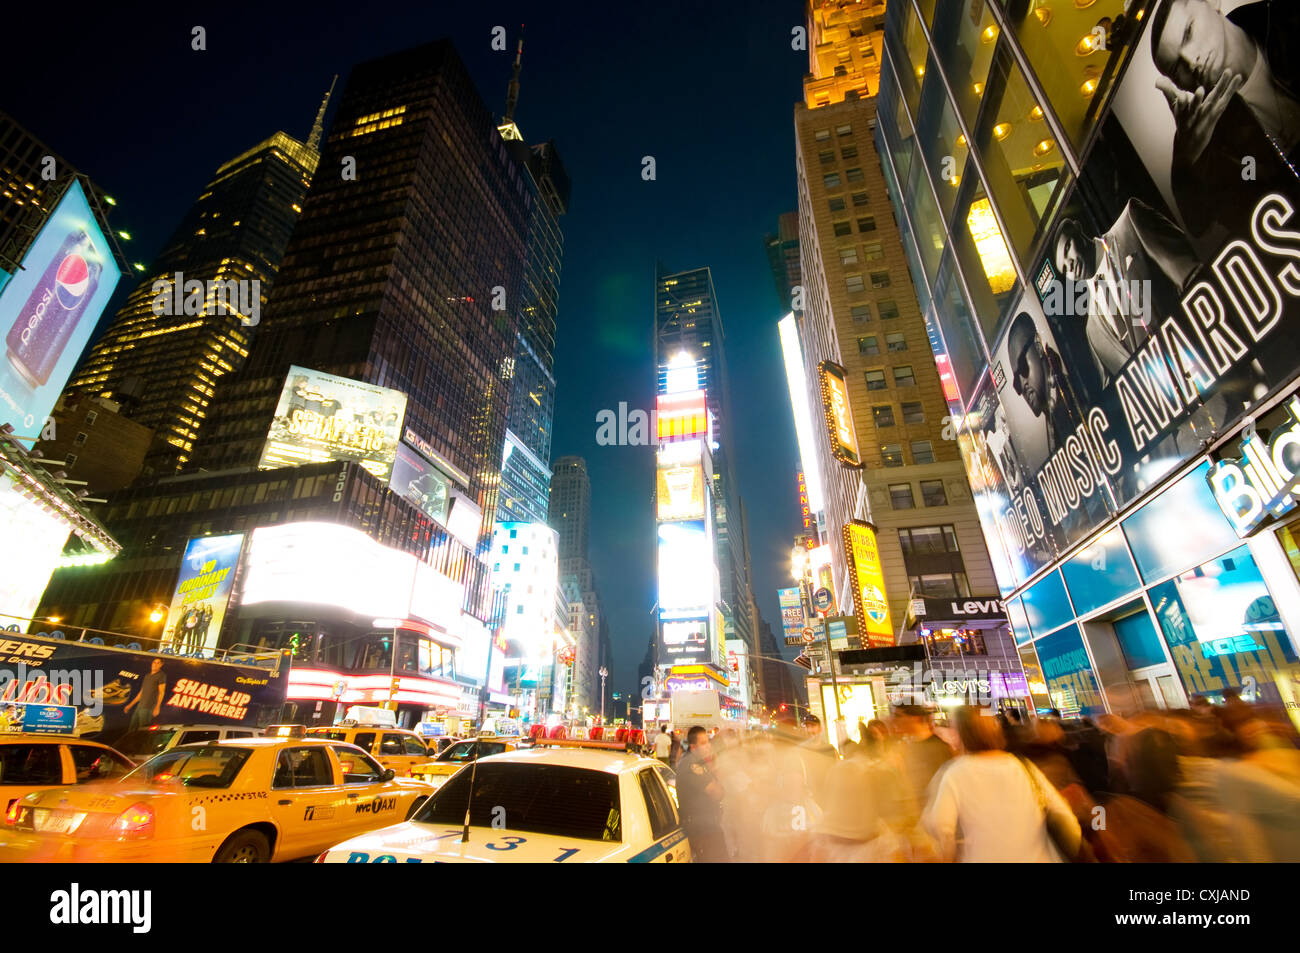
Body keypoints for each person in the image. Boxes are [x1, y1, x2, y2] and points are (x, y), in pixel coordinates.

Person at [1150, 0, 1300, 243]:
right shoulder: (1204, 140)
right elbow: (1199, 224)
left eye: (1188, 32)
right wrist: (1188, 162)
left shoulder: (1286, 21)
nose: (1191, 60)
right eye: (1177, 68)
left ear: (1212, 3)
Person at [1051, 202, 1198, 389]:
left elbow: (1190, 274)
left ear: (1078, 230)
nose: (1070, 266)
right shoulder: (1093, 332)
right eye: (1064, 269)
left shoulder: (1129, 225)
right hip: (1170, 408)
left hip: (1208, 364)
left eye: (1067, 249)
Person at [922, 706, 1081, 862]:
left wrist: (949, 854)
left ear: (961, 733)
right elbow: (1065, 817)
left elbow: (941, 827)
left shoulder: (955, 773)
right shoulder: (1023, 766)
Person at [675, 726, 727, 862]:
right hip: (703, 829)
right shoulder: (692, 765)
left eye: (708, 741)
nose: (708, 746)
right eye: (703, 743)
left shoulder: (696, 761)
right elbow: (717, 793)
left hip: (705, 826)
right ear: (693, 747)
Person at [893, 704, 954, 818]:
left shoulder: (937, 747)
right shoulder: (907, 747)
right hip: (917, 817)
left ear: (914, 718)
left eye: (898, 716)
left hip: (934, 818)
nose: (894, 720)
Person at [123, 659, 167, 732]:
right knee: (132, 730)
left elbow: (161, 692)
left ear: (161, 665)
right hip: (139, 707)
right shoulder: (147, 676)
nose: (155, 664)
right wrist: (130, 705)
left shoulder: (161, 675)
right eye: (154, 662)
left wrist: (157, 707)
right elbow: (141, 693)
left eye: (158, 663)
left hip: (148, 707)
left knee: (143, 730)